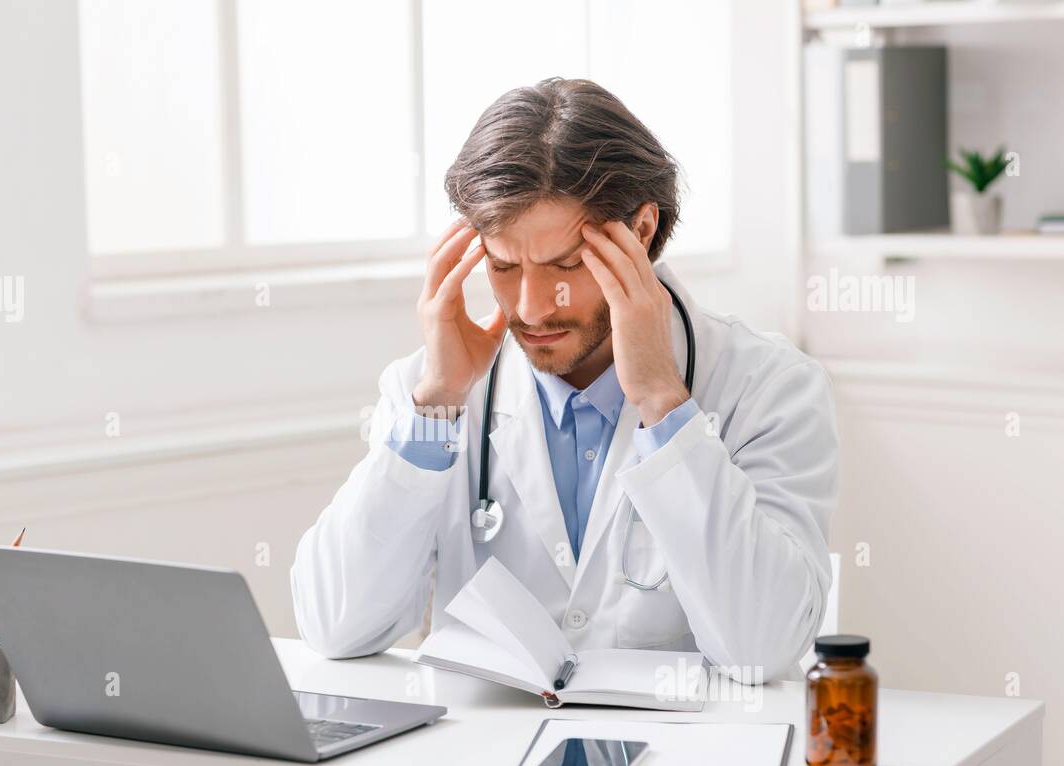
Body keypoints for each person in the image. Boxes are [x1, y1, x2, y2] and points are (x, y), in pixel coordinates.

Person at [291, 78, 838, 682]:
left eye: (566, 265)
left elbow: (763, 649)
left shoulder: (767, 386)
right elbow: (334, 626)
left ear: (643, 231)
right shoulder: (432, 393)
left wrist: (664, 404)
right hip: (481, 765)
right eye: (502, 266)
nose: (531, 307)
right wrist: (438, 404)